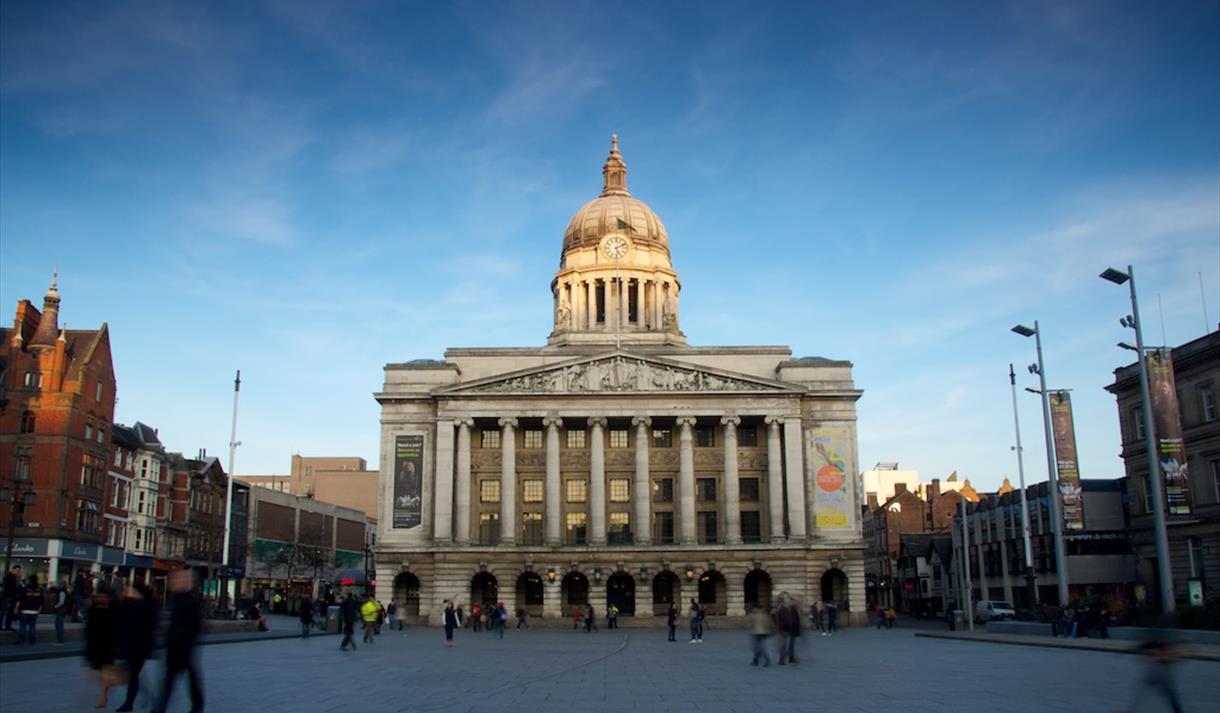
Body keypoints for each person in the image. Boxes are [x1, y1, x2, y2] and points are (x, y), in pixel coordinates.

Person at [152, 570, 204, 713]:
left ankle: (196, 705)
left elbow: (195, 625)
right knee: (183, 679)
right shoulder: (178, 599)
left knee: (177, 680)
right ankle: (197, 705)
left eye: (178, 580)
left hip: (182, 647)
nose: (173, 582)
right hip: (177, 646)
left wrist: (181, 640)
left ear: (187, 583)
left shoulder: (189, 601)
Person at [116, 582, 157, 713]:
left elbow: (149, 626)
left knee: (132, 675)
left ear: (139, 593)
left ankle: (130, 702)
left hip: (138, 647)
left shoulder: (145, 606)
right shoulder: (132, 604)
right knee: (133, 675)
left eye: (133, 591)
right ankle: (133, 700)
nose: (131, 593)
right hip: (133, 646)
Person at [1124, 639, 1185, 713]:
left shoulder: (1163, 649)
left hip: (1159, 672)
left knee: (1168, 693)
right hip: (1158, 672)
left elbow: (1150, 646)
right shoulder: (1163, 648)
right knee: (1169, 694)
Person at [86, 583, 120, 709]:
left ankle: (103, 696)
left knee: (106, 670)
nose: (101, 598)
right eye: (99, 595)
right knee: (101, 673)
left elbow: (119, 627)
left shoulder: (115, 609)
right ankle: (106, 688)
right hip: (97, 645)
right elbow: (89, 627)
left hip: (110, 645)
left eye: (103, 596)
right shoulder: (94, 608)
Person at [15, 575, 43, 645]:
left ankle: (21, 640)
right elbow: (41, 601)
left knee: (23, 626)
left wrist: (16, 608)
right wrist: (39, 610)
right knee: (32, 626)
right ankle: (32, 640)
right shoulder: (39, 589)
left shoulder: (25, 588)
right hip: (34, 610)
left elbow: (20, 599)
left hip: (25, 610)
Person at [1, 564, 20, 631]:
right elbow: (10, 587)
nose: (18, 572)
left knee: (7, 612)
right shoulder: (9, 577)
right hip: (8, 596)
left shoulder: (12, 577)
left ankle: (7, 626)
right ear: (13, 570)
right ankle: (6, 625)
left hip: (10, 596)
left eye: (19, 571)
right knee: (5, 612)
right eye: (17, 570)